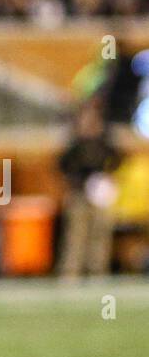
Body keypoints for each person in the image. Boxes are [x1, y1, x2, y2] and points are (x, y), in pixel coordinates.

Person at [57, 97, 121, 279]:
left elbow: (116, 160)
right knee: (76, 234)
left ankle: (97, 271)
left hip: (99, 195)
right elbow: (63, 165)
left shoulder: (104, 142)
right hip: (79, 193)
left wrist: (105, 178)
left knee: (99, 233)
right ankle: (71, 272)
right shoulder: (75, 144)